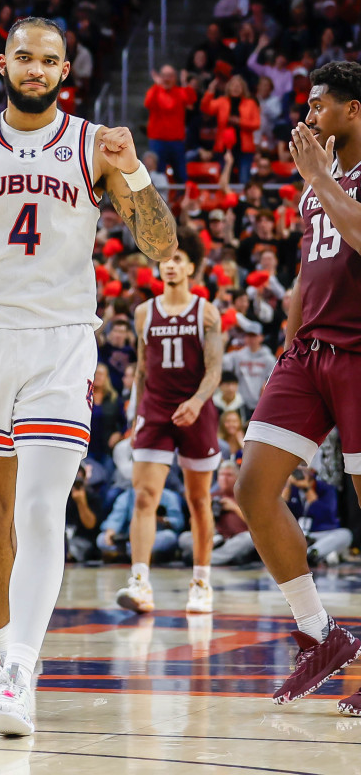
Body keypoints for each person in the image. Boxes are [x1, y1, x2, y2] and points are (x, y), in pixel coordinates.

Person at [0, 17, 177, 736]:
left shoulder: (92, 143)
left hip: (61, 343)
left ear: (64, 70)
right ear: (3, 61)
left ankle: (20, 668)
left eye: (47, 60)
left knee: (41, 509)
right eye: (23, 56)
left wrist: (137, 169)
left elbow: (161, 244)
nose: (34, 68)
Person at [234, 61, 361, 713]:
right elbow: (310, 266)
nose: (307, 117)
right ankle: (321, 631)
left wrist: (321, 178)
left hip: (359, 353)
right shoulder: (315, 183)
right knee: (251, 488)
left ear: (354, 111)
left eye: (318, 106)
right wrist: (289, 340)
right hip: (307, 352)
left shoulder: (328, 176)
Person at [119, 231, 223, 614]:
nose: (171, 263)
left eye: (178, 258)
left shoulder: (206, 312)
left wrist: (197, 401)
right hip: (156, 409)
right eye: (165, 258)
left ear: (192, 266)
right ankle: (140, 581)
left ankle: (201, 581)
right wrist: (135, 415)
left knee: (199, 500)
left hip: (196, 410)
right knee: (144, 496)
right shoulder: (144, 312)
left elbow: (214, 371)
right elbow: (143, 370)